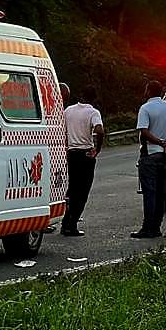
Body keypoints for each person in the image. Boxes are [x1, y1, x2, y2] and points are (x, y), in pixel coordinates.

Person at [133, 81, 166, 239]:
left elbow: (144, 131)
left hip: (151, 154)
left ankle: (147, 227)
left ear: (148, 91)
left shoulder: (145, 108)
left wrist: (159, 141)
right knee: (161, 192)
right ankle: (156, 227)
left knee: (150, 192)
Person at [62, 85, 104, 237]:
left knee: (72, 189)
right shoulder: (93, 112)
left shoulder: (68, 111)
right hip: (85, 154)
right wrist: (97, 149)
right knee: (82, 191)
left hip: (70, 153)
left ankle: (65, 222)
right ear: (94, 98)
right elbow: (99, 130)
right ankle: (72, 224)